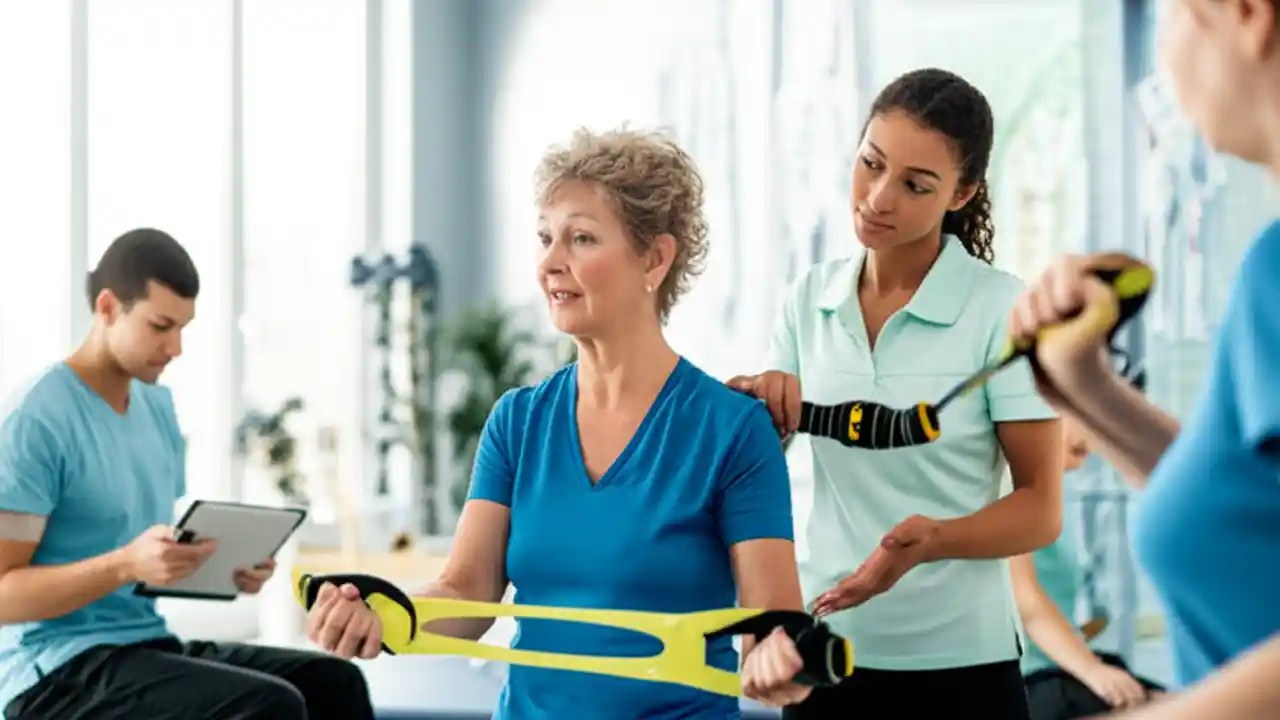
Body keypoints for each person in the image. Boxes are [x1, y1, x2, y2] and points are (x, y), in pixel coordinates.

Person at [305, 127, 815, 718]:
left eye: (581, 238)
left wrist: (781, 664)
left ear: (655, 258)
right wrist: (380, 614)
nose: (551, 263)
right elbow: (467, 595)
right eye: (546, 238)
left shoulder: (731, 430)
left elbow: (772, 626)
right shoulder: (517, 422)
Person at [728, 67, 1065, 718]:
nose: (879, 198)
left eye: (915, 185)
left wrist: (931, 540)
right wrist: (758, 410)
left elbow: (1040, 508)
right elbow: (764, 459)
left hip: (964, 670)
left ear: (962, 193)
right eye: (870, 164)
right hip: (827, 657)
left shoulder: (1002, 310)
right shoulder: (809, 299)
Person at [1007, 0, 1280, 717]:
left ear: (1246, 14)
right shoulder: (1265, 271)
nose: (1161, 50)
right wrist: (1084, 387)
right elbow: (1249, 518)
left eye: (1168, 14)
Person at [0, 228, 374, 720]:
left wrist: (223, 568)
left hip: (141, 641)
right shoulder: (37, 418)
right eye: (160, 326)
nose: (175, 347)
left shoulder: (157, 406)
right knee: (268, 706)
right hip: (51, 670)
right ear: (108, 308)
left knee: (334, 681)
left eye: (183, 328)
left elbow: (142, 559)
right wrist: (126, 565)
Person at [1013, 410, 1165, 719]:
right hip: (1031, 685)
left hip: (1054, 673)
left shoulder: (1041, 498)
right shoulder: (1006, 487)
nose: (1090, 440)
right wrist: (1093, 671)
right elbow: (1025, 603)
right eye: (1081, 420)